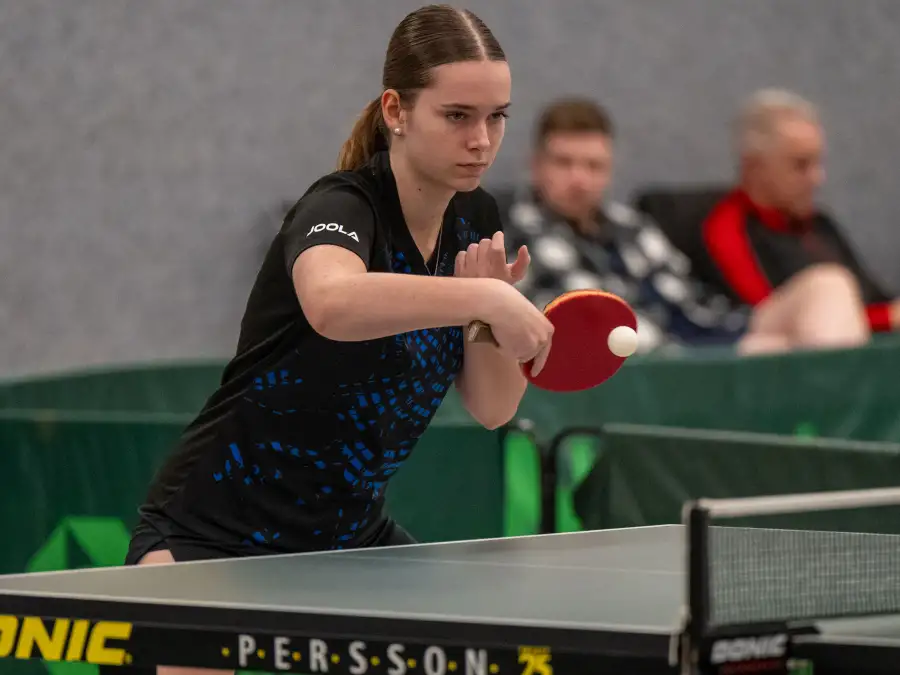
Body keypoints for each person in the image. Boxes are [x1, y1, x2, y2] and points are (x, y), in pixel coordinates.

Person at [111, 5, 552, 674]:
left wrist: (492, 323)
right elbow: (332, 302)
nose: (482, 140)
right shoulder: (343, 206)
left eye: (497, 117)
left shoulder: (476, 218)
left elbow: (493, 408)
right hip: (216, 532)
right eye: (457, 115)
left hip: (347, 536)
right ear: (397, 110)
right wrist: (483, 297)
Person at [500, 96, 749, 353]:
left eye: (594, 166)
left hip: (684, 355)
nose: (579, 180)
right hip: (616, 373)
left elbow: (692, 304)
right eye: (564, 163)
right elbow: (587, 329)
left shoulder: (633, 226)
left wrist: (751, 331)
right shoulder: (515, 236)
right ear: (536, 166)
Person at [700, 88, 899, 353]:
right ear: (754, 167)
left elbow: (875, 297)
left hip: (859, 347)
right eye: (800, 165)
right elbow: (761, 315)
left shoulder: (819, 224)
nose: (817, 178)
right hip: (788, 361)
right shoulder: (727, 227)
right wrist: (885, 319)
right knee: (830, 285)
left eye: (818, 163)